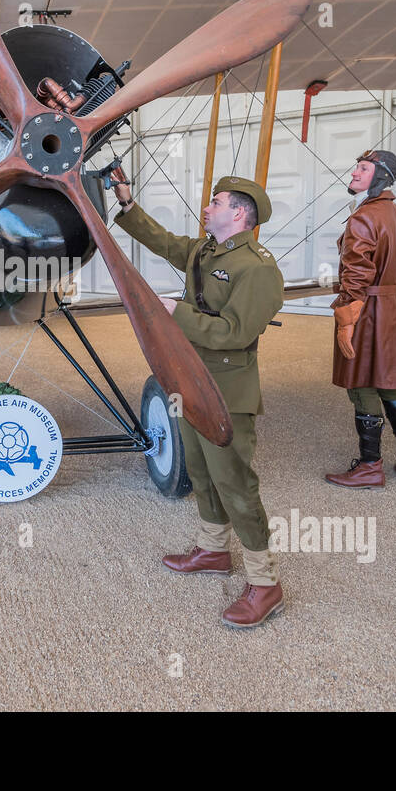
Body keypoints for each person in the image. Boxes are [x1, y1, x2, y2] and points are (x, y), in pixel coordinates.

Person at [113, 175, 286, 628]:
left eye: (217, 202)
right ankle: (212, 550)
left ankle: (265, 583)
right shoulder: (206, 251)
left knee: (236, 483)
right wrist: (127, 203)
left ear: (240, 214)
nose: (207, 207)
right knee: (201, 469)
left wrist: (178, 313)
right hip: (189, 375)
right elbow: (164, 241)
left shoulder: (258, 268)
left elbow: (235, 333)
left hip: (227, 388)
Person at [324, 149, 396, 489]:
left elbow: (355, 273)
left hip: (366, 308)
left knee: (362, 382)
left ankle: (370, 466)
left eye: (362, 168)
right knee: (390, 379)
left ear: (380, 175)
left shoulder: (362, 219)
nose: (354, 173)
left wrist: (347, 317)